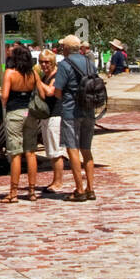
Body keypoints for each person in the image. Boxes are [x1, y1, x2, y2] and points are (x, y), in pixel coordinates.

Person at [54, 34, 96, 201]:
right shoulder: (89, 63)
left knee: (72, 149)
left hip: (71, 111)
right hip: (89, 110)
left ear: (65, 48)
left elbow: (58, 91)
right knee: (87, 149)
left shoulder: (64, 65)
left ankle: (79, 189)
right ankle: (90, 188)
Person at [0, 45, 39, 202]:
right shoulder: (33, 74)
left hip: (15, 113)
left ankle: (14, 192)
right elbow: (41, 92)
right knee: (30, 152)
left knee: (15, 153)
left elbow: (4, 95)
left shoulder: (10, 73)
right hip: (29, 113)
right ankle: (32, 191)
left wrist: (5, 106)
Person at [32, 50, 66, 194]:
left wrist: (37, 80)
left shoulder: (57, 75)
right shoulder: (46, 76)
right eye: (41, 62)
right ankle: (55, 180)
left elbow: (50, 92)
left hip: (55, 116)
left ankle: (58, 181)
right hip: (47, 116)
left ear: (53, 61)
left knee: (56, 152)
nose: (44, 65)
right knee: (50, 152)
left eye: (47, 62)